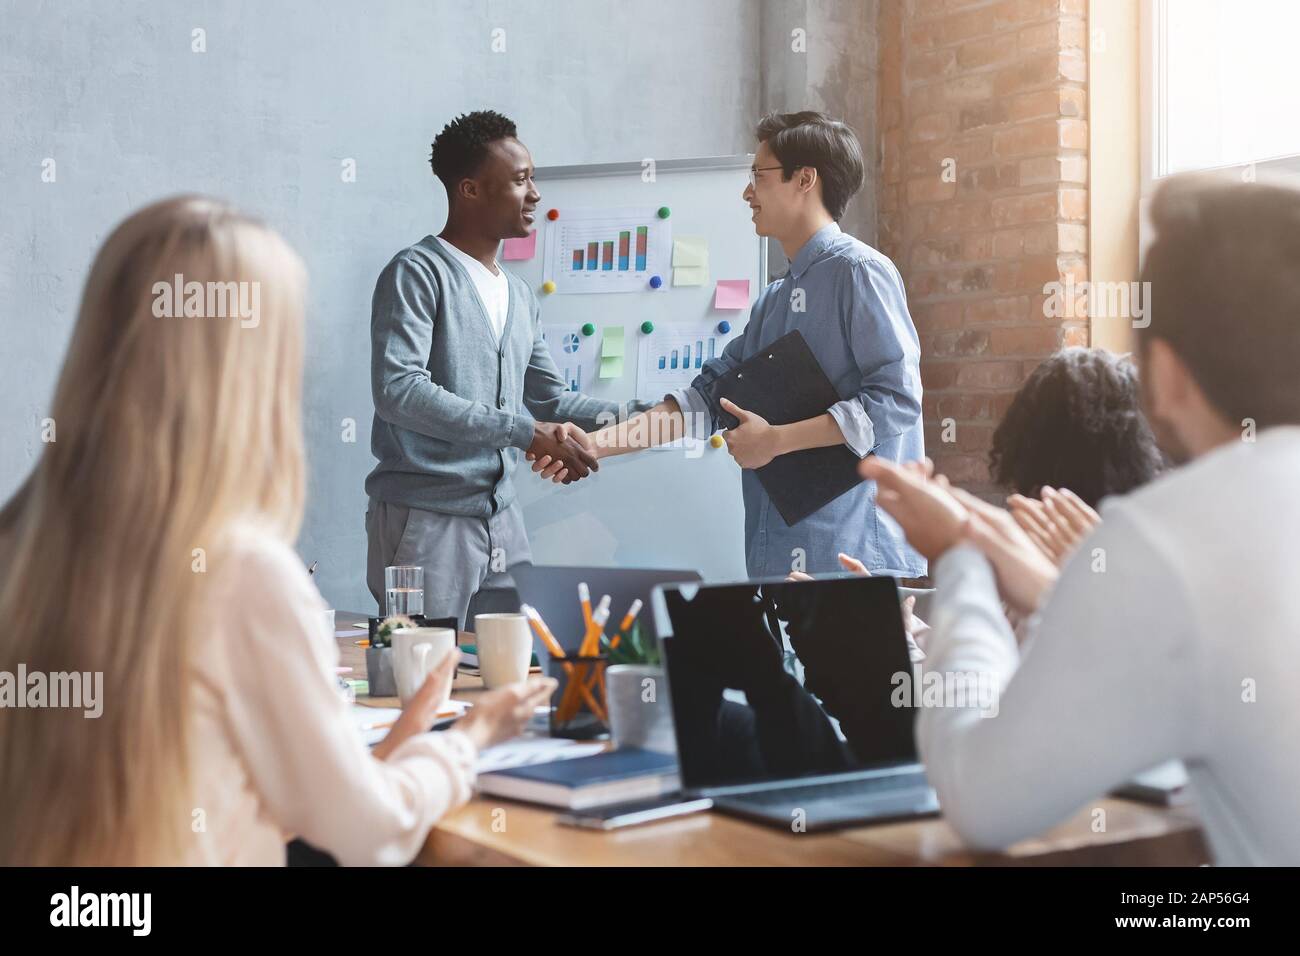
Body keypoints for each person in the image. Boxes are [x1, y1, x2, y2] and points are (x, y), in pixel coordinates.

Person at [0, 197, 555, 865]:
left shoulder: (21, 542)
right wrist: (470, 739)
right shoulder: (241, 571)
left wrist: (392, 747)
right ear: (249, 367)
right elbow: (366, 833)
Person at [859, 176, 1300, 864]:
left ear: (1169, 374)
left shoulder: (1167, 535)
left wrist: (960, 558)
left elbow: (983, 798)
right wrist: (1029, 571)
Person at [565, 111, 926, 579]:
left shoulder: (859, 272)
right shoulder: (774, 300)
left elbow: (896, 400)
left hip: (850, 556)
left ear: (805, 179)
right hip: (774, 550)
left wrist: (776, 441)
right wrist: (592, 446)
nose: (747, 192)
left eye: (759, 175)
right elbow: (705, 401)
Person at [366, 110, 642, 626]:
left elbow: (554, 402)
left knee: (510, 675)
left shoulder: (518, 293)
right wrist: (524, 432)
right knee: (426, 675)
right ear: (469, 189)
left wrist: (667, 410)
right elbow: (398, 390)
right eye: (520, 180)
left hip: (503, 523)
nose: (535, 193)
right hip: (427, 521)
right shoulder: (416, 273)